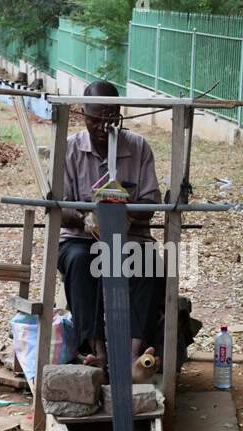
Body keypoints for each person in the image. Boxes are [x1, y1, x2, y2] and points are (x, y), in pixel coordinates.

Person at [58, 80, 165, 375]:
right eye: (96, 118)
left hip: (130, 237)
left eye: (110, 117)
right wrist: (87, 218)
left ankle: (132, 355)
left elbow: (151, 203)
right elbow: (59, 206)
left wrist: (126, 214)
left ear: (119, 116)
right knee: (81, 262)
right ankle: (97, 351)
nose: (103, 126)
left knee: (148, 264)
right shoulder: (69, 149)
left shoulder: (138, 148)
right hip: (82, 238)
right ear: (83, 114)